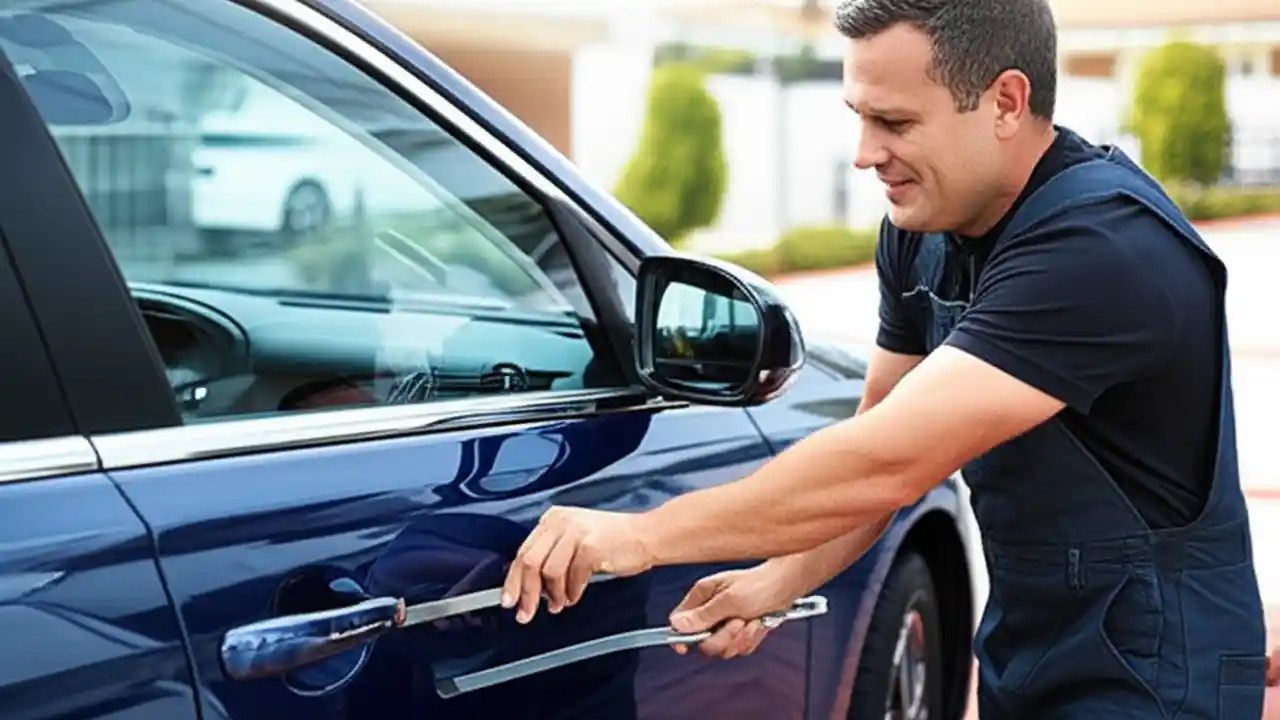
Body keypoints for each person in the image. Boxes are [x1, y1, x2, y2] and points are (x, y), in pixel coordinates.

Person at [499, 0, 1270, 716]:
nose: (867, 154)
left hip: (1164, 669)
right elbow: (879, 438)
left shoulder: (1103, 250)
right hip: (1029, 649)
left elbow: (887, 461)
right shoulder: (919, 227)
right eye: (859, 117)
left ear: (1005, 101)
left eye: (895, 122)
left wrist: (643, 535)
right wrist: (777, 582)